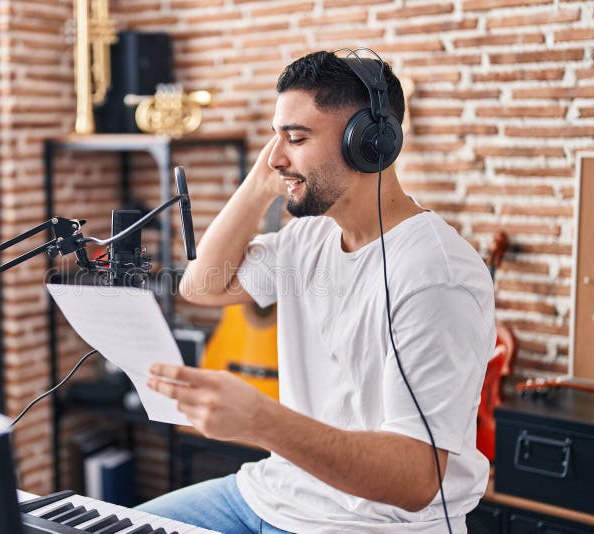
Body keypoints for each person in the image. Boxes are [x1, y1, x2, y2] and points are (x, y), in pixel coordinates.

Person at [140, 50, 495, 533]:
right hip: (270, 492)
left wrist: (261, 421)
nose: (277, 156)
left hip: (370, 524)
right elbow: (201, 286)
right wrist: (262, 182)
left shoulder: (437, 275)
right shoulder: (311, 236)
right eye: (276, 137)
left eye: (298, 138)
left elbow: (417, 480)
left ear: (370, 142)